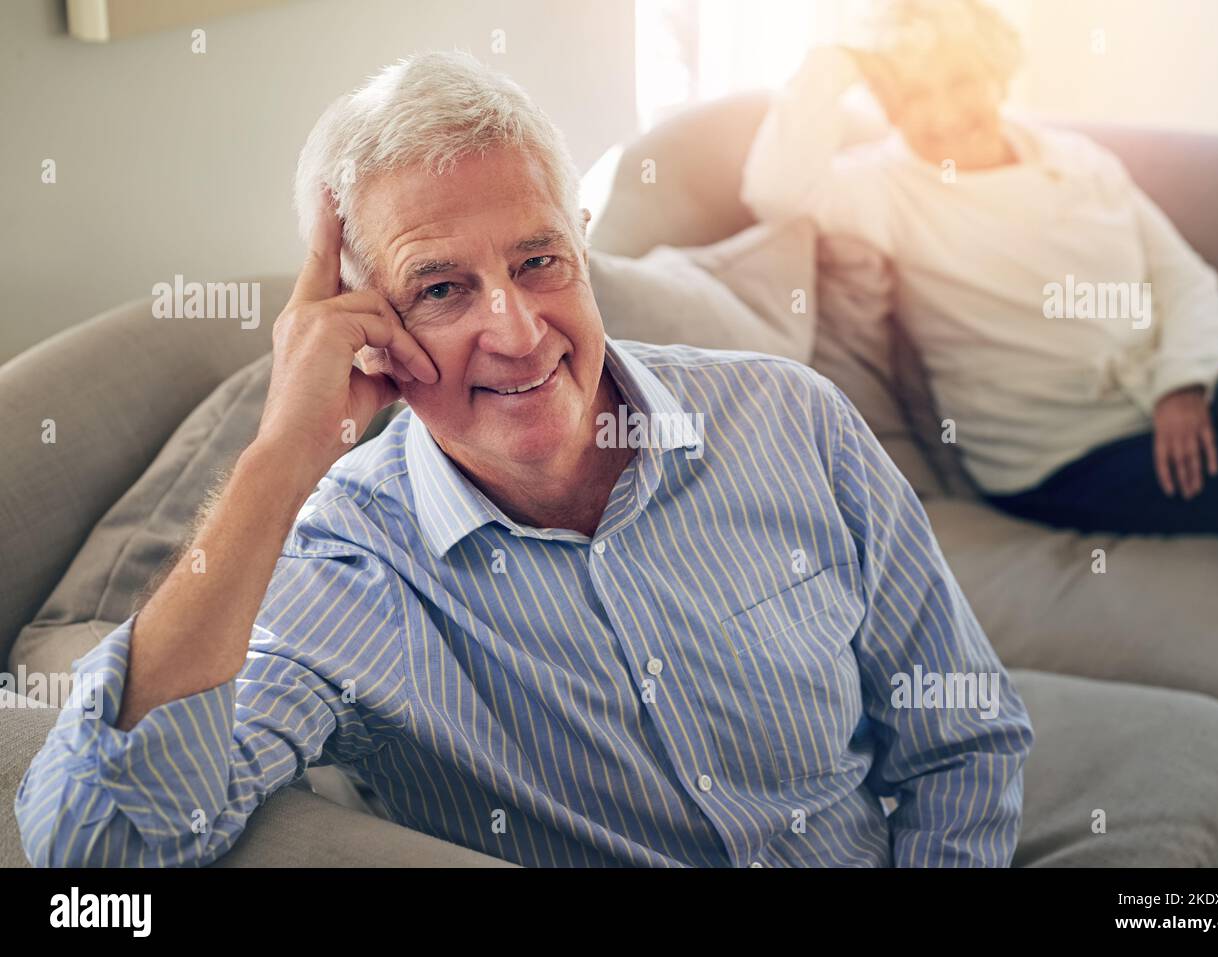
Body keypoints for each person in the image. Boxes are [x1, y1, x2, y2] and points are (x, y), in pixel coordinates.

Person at [15, 51, 1031, 868]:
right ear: (361, 323)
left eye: (538, 261)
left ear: (582, 245)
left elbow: (963, 733)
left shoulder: (792, 418)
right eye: (441, 289)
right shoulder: (347, 571)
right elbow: (98, 847)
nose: (515, 331)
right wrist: (280, 457)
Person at [743, 0, 1218, 551]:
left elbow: (1182, 278)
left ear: (999, 78)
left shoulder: (1078, 158)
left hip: (1179, 389)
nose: (942, 113)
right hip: (1069, 456)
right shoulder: (881, 189)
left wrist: (1182, 385)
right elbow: (773, 192)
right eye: (915, 94)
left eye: (961, 82)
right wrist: (835, 63)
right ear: (889, 106)